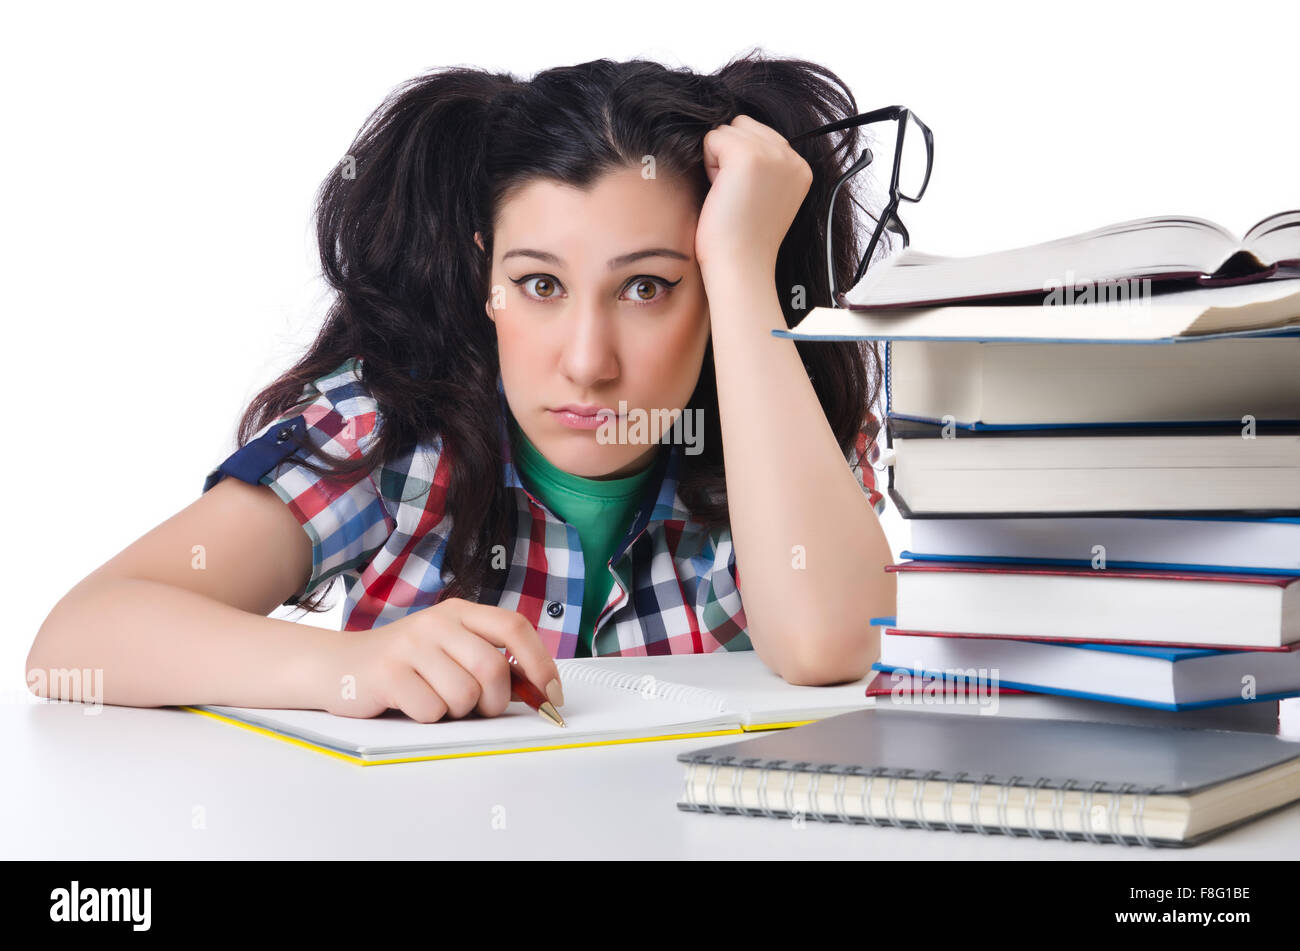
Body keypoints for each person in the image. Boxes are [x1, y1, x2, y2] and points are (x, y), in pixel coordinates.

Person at [28, 50, 896, 723]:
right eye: (540, 284)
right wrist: (347, 667)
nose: (588, 361)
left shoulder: (787, 435)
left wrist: (740, 263)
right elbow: (80, 636)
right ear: (488, 278)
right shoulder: (390, 435)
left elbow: (830, 643)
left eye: (648, 286)